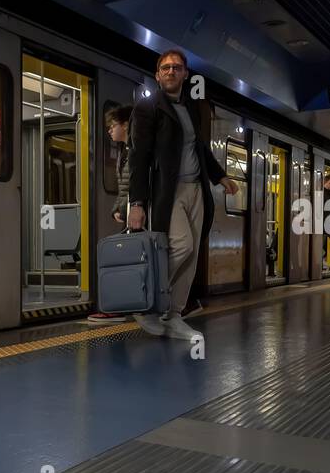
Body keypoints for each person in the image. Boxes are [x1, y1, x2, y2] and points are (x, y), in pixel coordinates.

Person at [126, 49, 239, 340]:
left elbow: (200, 149)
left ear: (185, 74)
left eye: (177, 68)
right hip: (168, 191)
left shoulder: (192, 108)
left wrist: (220, 176)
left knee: (192, 256)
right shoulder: (147, 109)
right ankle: (147, 303)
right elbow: (139, 158)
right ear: (157, 75)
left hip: (197, 190)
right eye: (165, 68)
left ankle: (174, 314)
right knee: (181, 246)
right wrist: (136, 203)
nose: (171, 72)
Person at [89, 106, 133, 324]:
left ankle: (117, 308)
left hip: (137, 212)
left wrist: (122, 207)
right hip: (130, 210)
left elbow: (135, 184)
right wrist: (116, 207)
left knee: (121, 259)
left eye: (112, 126)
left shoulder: (134, 150)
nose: (109, 131)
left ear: (125, 125)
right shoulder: (125, 151)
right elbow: (123, 188)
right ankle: (119, 306)